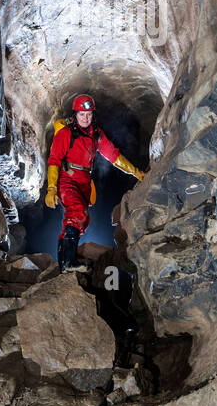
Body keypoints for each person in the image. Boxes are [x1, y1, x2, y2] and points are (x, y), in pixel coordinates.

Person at [45, 94, 145, 272]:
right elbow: (54, 161)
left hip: (84, 181)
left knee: (81, 219)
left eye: (89, 114)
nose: (85, 118)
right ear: (75, 114)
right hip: (67, 180)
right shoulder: (66, 133)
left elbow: (113, 156)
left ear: (93, 115)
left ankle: (64, 261)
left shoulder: (96, 135)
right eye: (82, 114)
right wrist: (51, 189)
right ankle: (68, 263)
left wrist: (134, 171)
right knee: (76, 213)